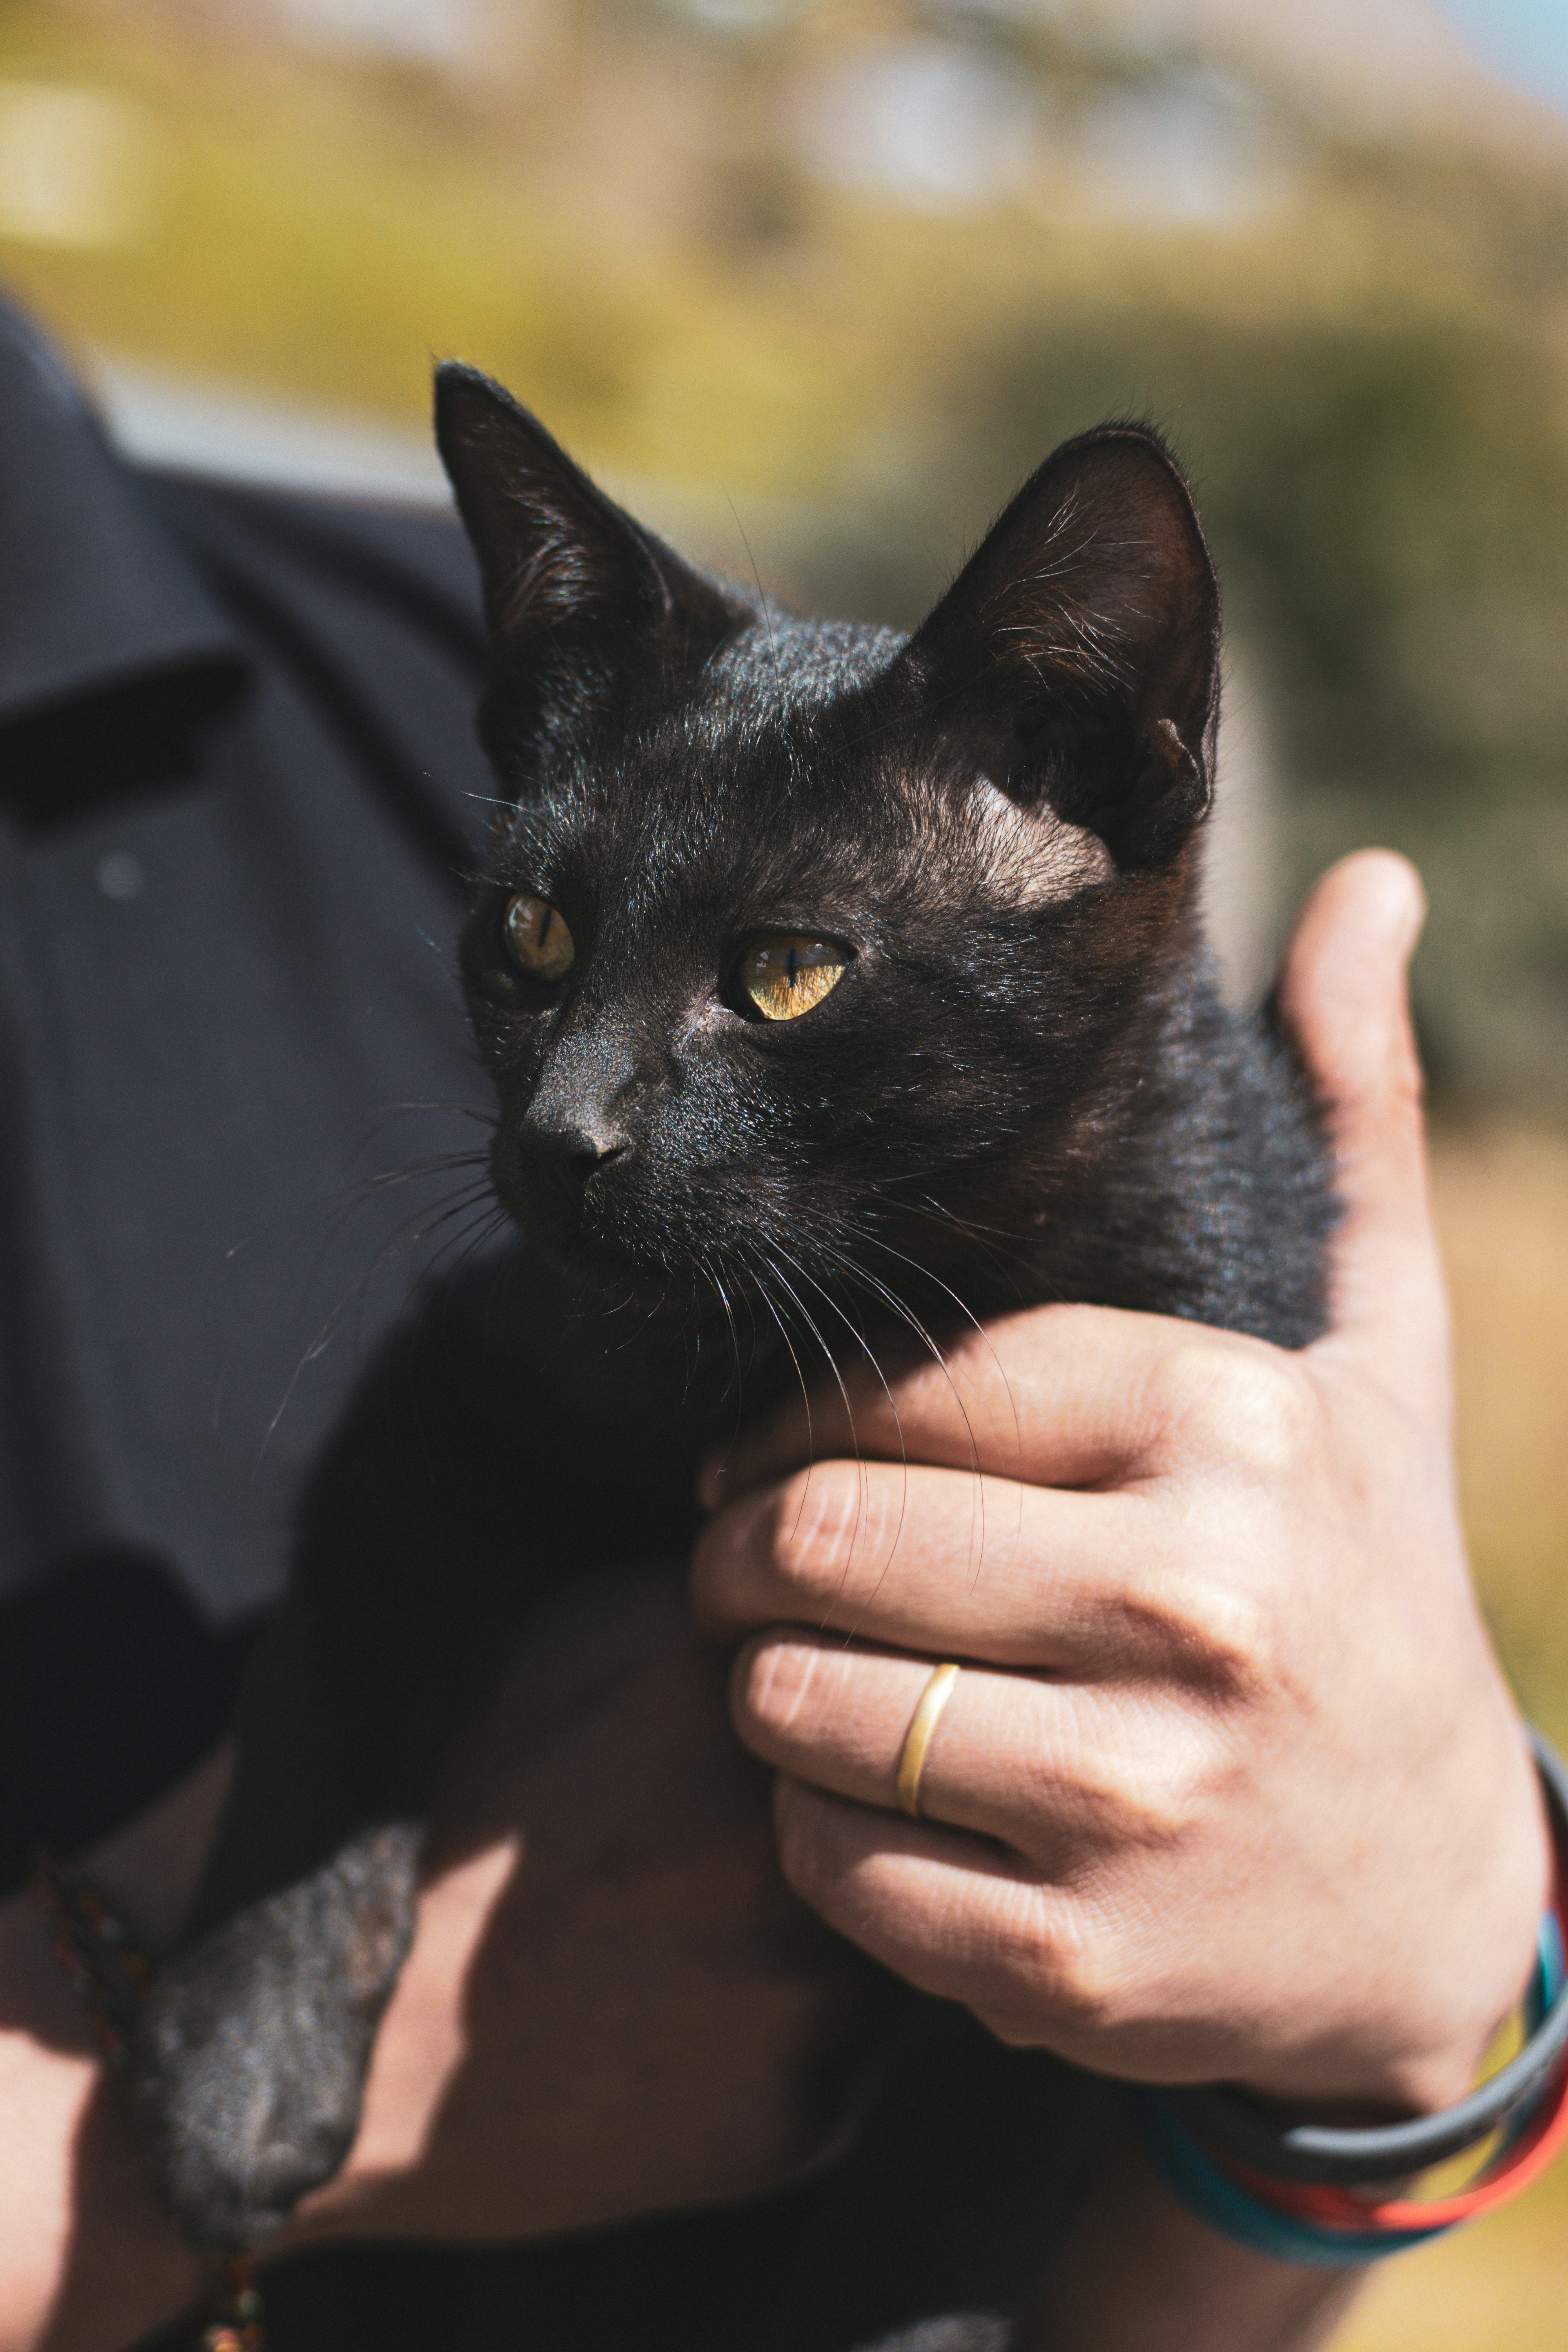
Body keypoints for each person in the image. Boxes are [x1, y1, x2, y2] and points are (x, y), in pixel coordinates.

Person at [0, 291, 1549, 2352]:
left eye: (784, 979)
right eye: (540, 950)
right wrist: (305, 1937)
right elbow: (430, 1462)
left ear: (1095, 785)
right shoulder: (559, 812)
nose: (565, 1114)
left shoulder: (1212, 1301)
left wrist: (1442, 1975)